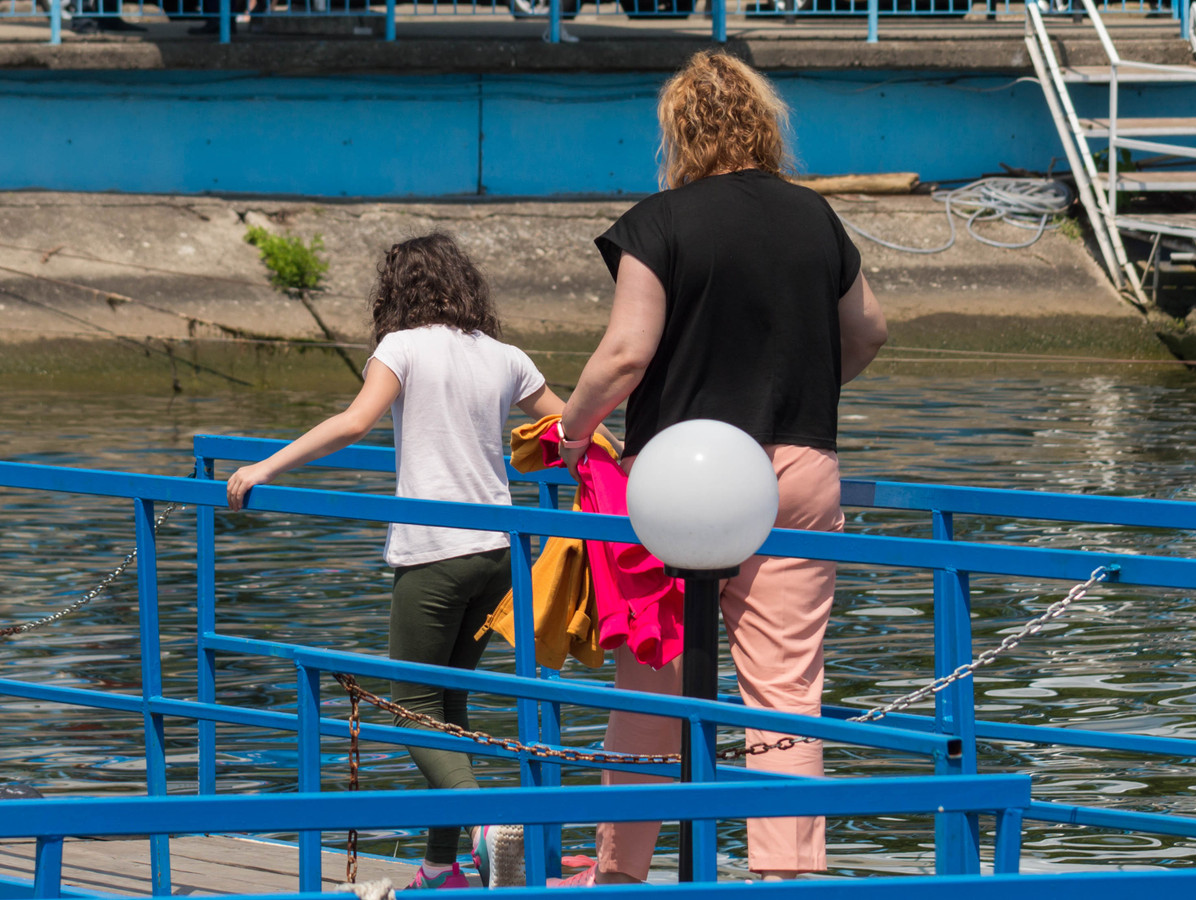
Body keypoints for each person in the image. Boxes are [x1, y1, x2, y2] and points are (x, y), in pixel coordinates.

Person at [553, 50, 889, 885]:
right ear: (763, 123)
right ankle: (787, 878)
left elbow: (626, 353)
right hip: (798, 468)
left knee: (653, 683)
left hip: (679, 484)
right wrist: (800, 388)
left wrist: (573, 426)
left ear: (680, 132)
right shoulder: (817, 220)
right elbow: (870, 333)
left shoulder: (660, 222)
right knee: (785, 691)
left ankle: (622, 872)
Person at [225, 232, 609, 890]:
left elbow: (355, 422)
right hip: (497, 556)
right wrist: (616, 461)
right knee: (446, 707)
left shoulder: (400, 347)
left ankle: (488, 820)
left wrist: (264, 466)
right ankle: (441, 866)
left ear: (396, 292)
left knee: (408, 706)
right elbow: (581, 426)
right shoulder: (504, 356)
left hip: (433, 556)